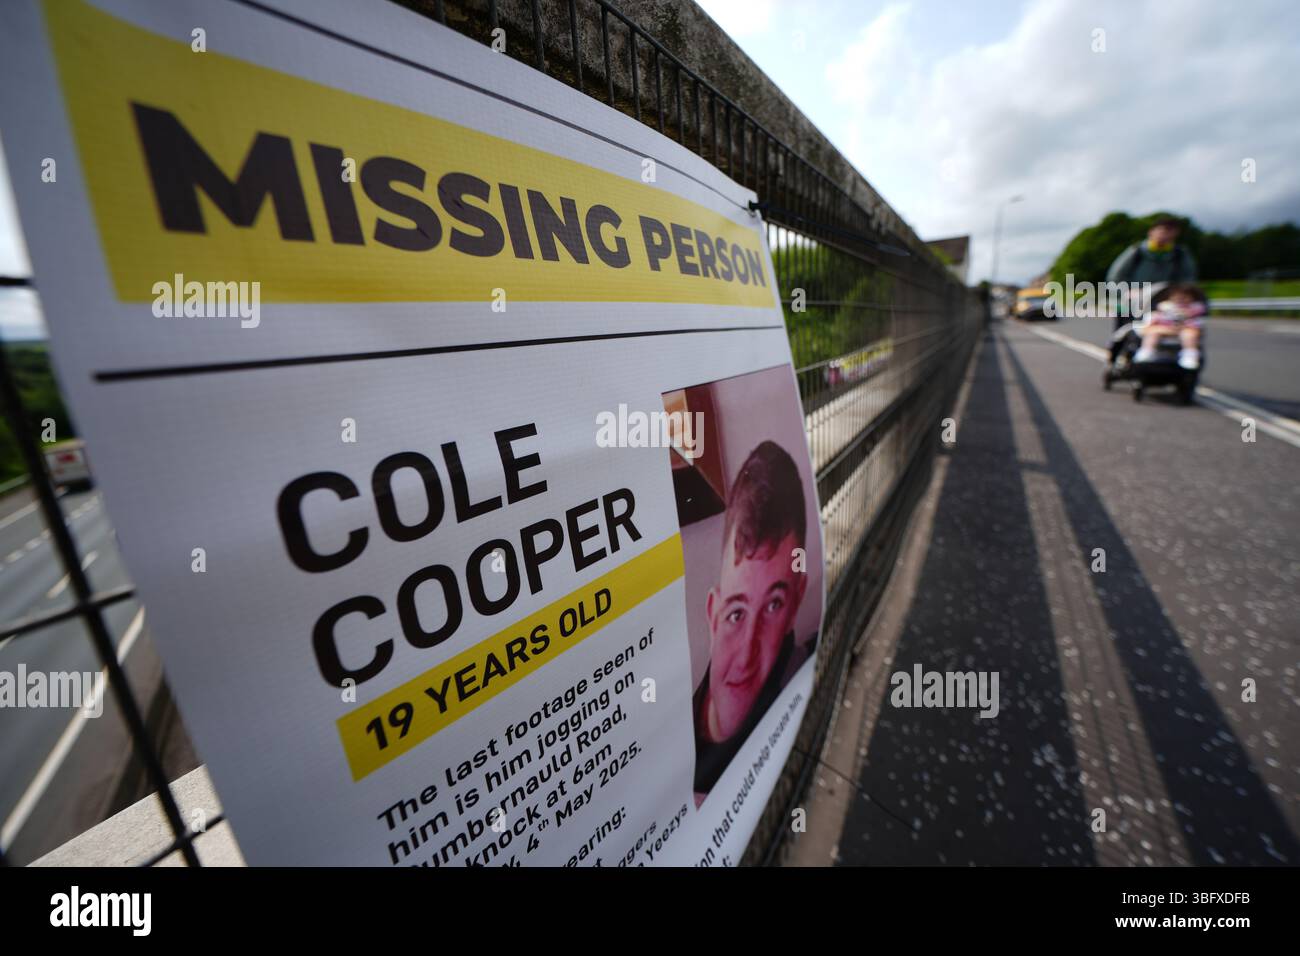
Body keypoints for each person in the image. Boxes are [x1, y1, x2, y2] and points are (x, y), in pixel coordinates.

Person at [692, 440, 811, 800]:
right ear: (713, 614)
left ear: (796, 600)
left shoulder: (802, 676)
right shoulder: (665, 747)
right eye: (736, 613)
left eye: (773, 605)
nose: (746, 655)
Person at [1106, 216, 1198, 331]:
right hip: (1132, 297)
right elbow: (1116, 275)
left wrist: (1181, 295)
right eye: (1163, 230)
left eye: (1171, 232)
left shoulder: (1180, 254)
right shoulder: (1137, 251)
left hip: (1164, 298)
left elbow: (1187, 279)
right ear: (1151, 232)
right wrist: (1125, 291)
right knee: (1123, 328)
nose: (1166, 236)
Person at [1134, 282, 1206, 370]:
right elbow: (1152, 322)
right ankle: (1147, 351)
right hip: (1165, 329)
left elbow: (1195, 314)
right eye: (1177, 296)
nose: (1181, 299)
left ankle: (1189, 355)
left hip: (1185, 329)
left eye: (1185, 296)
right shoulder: (1165, 306)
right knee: (1153, 334)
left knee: (1190, 335)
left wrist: (1182, 314)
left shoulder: (1194, 308)